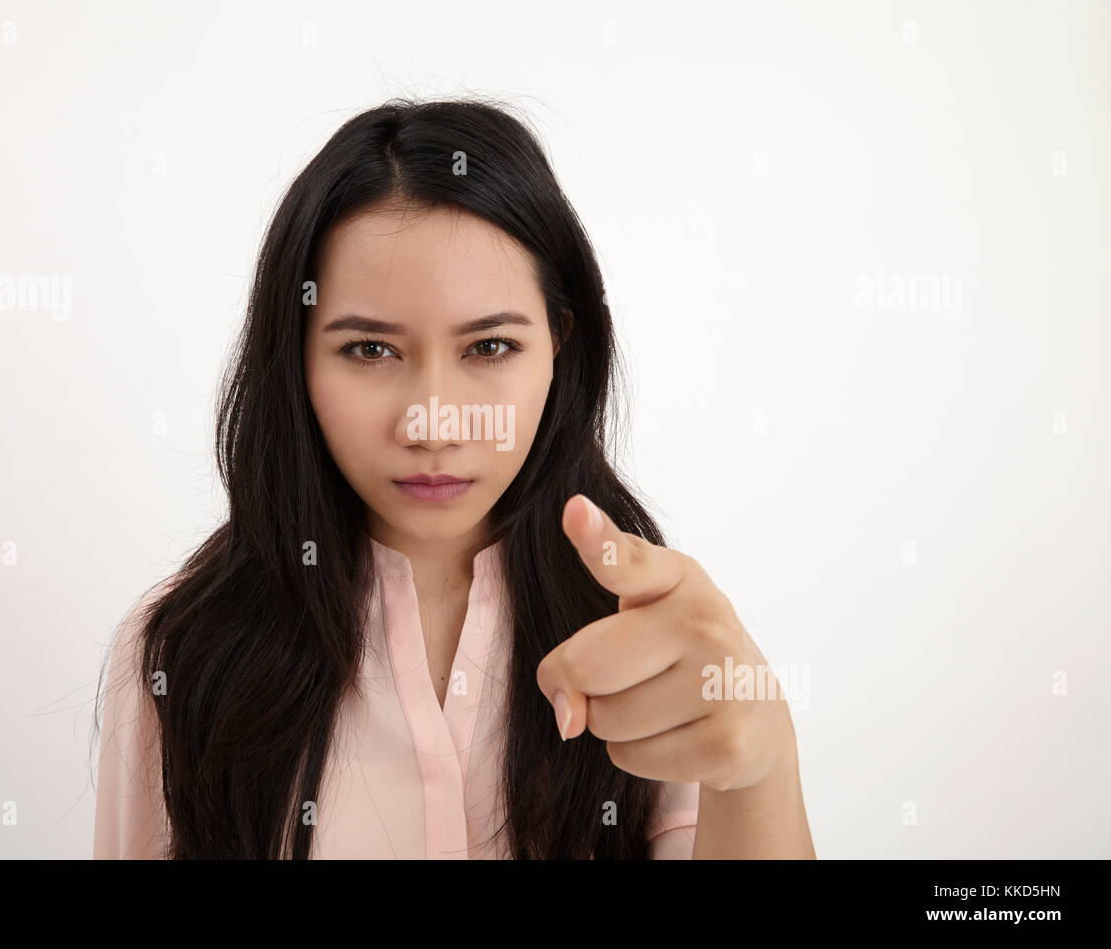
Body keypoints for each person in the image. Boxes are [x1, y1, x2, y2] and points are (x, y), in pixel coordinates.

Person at [92, 97, 814, 859]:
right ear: (296, 356)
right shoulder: (183, 652)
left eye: (490, 347)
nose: (434, 424)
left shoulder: (651, 641)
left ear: (562, 348)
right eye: (370, 350)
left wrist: (764, 769)